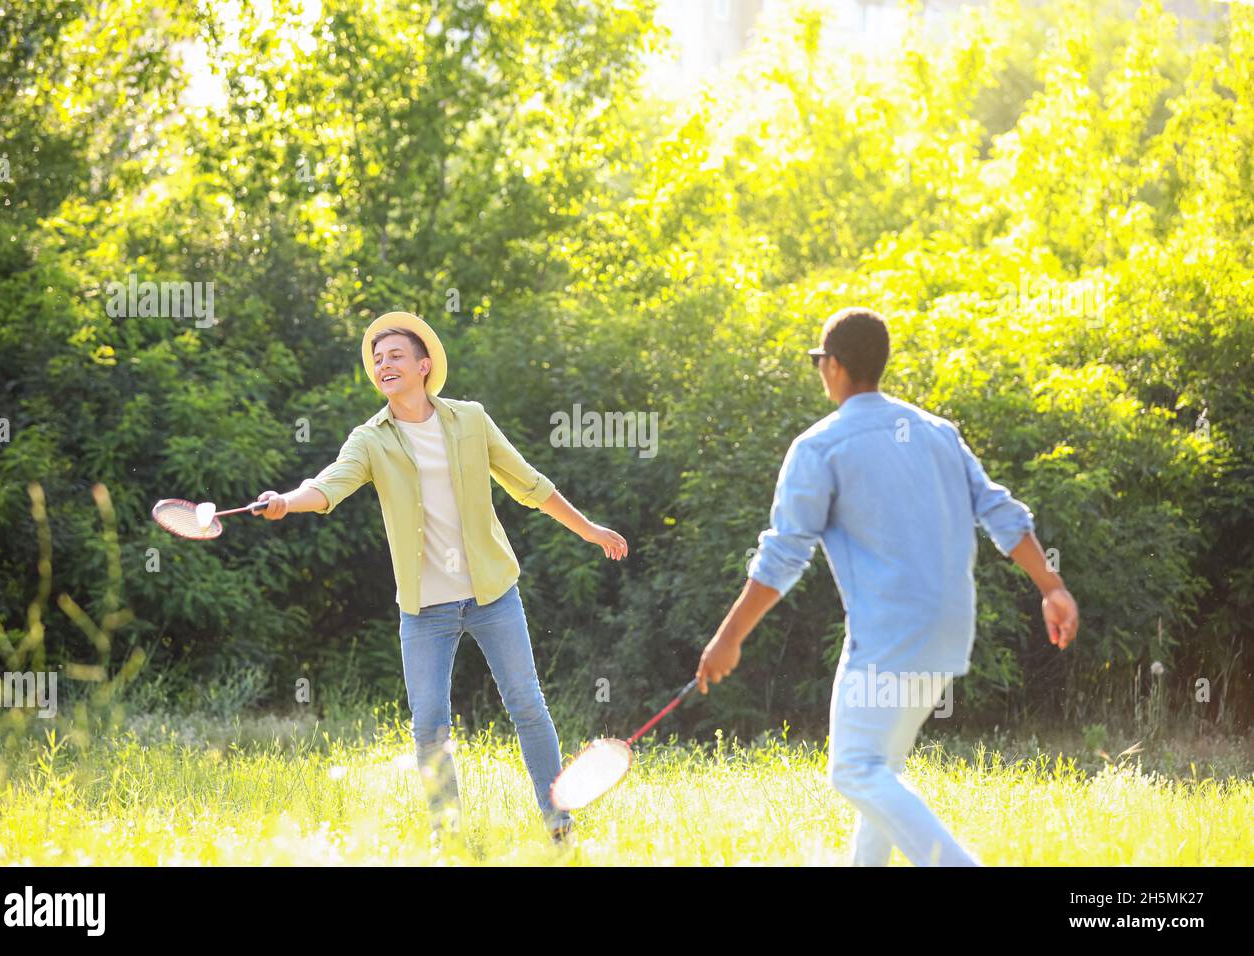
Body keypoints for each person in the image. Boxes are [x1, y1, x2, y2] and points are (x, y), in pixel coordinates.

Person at [695, 306, 1079, 866]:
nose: (818, 369)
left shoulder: (819, 447)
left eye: (817, 360)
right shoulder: (937, 433)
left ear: (835, 365)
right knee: (881, 771)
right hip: (949, 630)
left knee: (854, 770)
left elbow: (781, 556)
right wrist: (1052, 588)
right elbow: (1000, 512)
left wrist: (728, 638)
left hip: (888, 636)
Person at [256, 311, 627, 843]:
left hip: (492, 594)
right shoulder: (370, 440)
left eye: (395, 356)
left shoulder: (470, 420)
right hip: (424, 607)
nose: (384, 364)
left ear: (424, 365)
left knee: (527, 707)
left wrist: (587, 529)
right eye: (377, 359)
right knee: (429, 722)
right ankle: (448, 836)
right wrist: (285, 502)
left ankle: (558, 821)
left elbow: (528, 483)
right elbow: (328, 486)